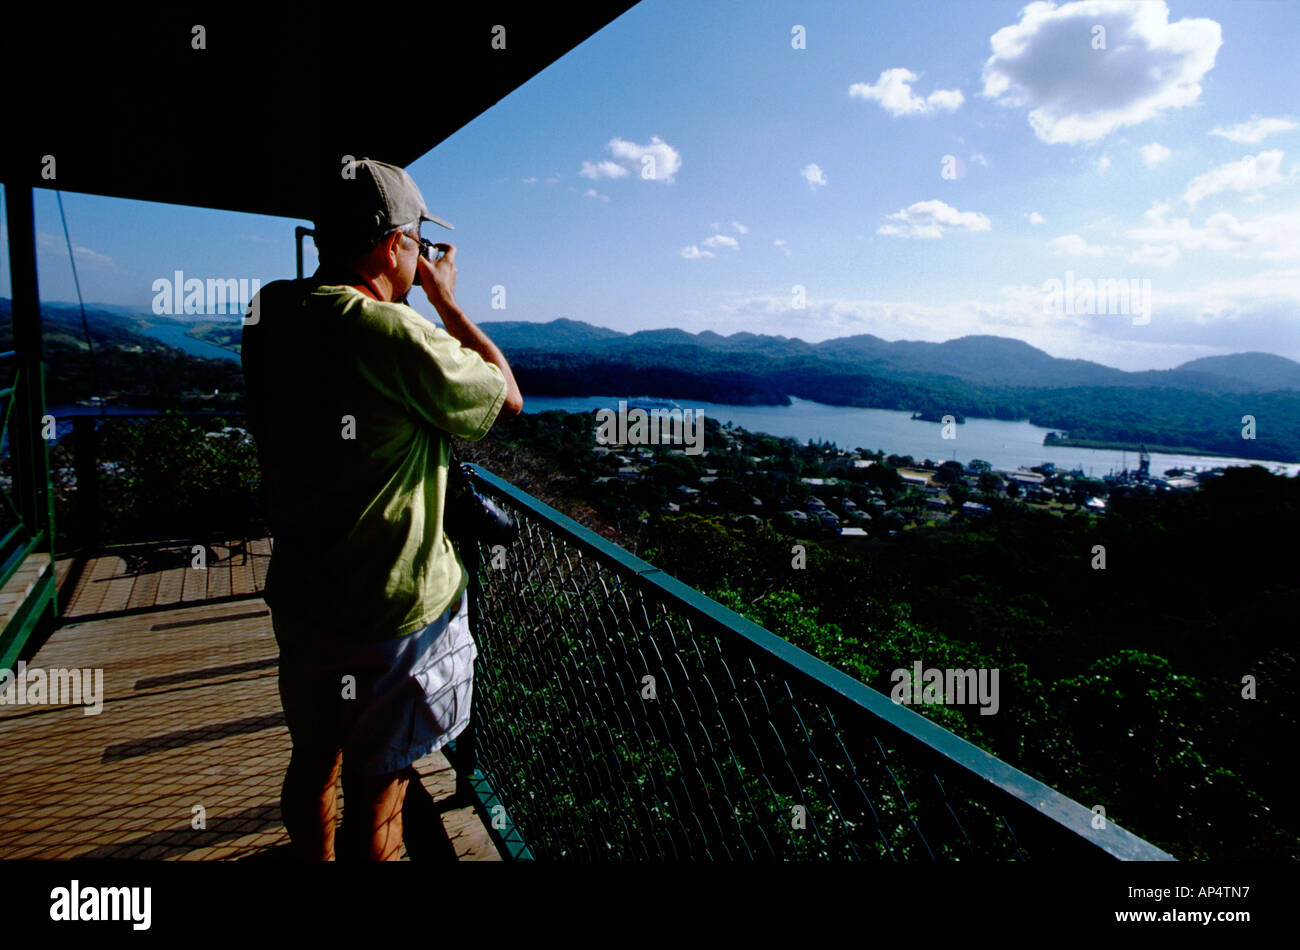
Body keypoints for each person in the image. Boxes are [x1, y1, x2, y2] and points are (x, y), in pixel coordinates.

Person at [240, 158, 523, 860]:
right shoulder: (394, 335)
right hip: (390, 612)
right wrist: (446, 299)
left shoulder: (269, 311)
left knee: (314, 758)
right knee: (379, 795)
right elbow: (504, 396)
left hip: (305, 596)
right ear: (393, 242)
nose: (422, 257)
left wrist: (397, 293)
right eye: (417, 244)